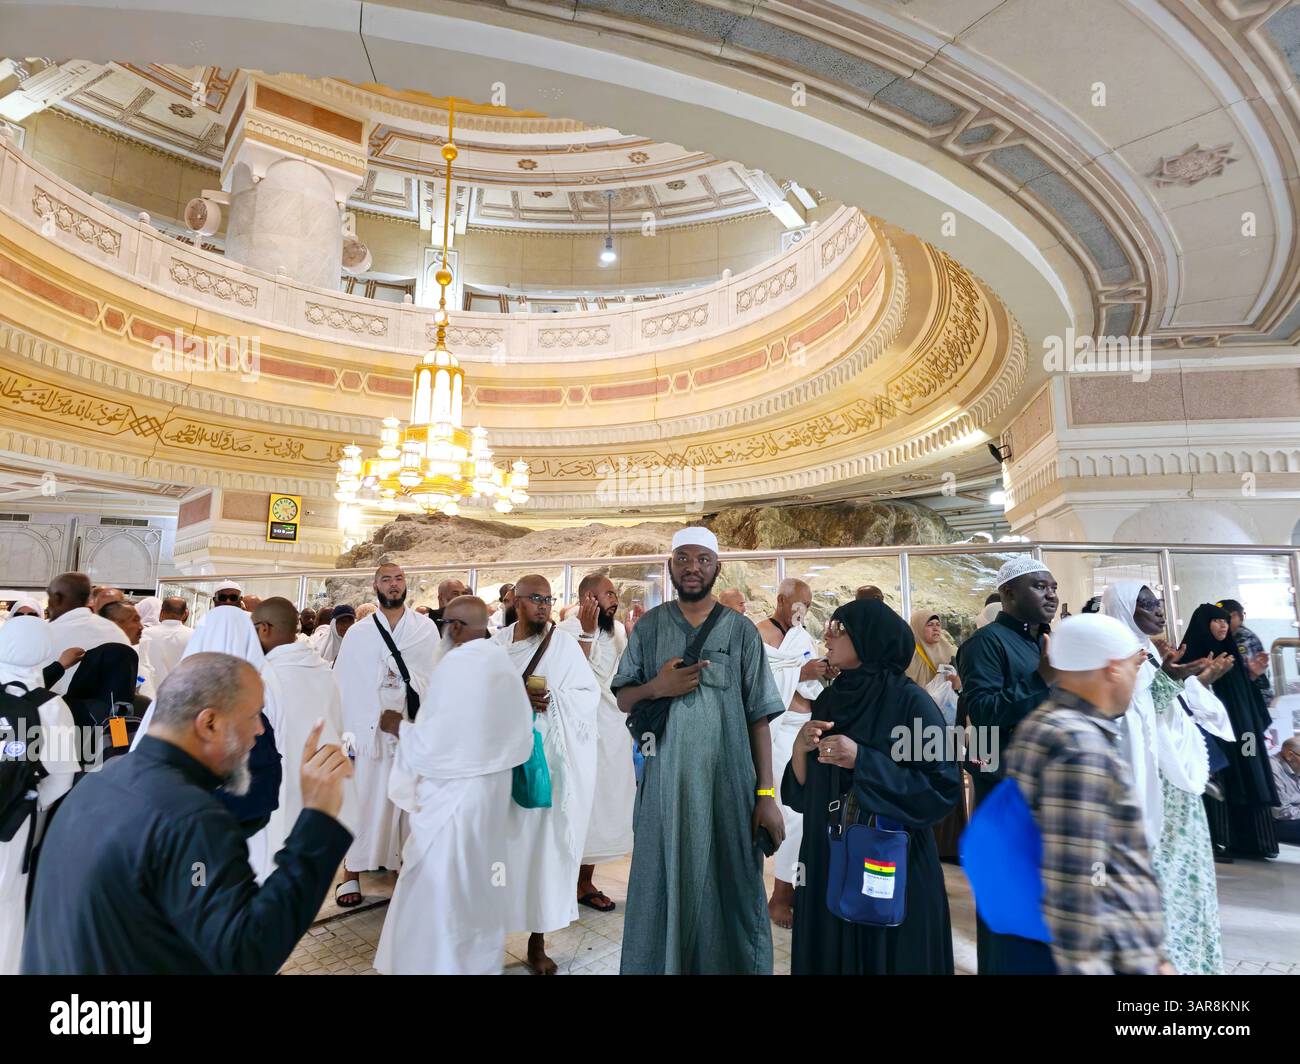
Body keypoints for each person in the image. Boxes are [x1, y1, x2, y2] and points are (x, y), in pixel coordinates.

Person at [21, 653, 354, 974]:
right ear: (209, 722)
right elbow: (245, 951)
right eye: (253, 715)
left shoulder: (98, 783)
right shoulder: (190, 817)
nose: (260, 731)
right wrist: (317, 819)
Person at [613, 527, 786, 975]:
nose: (693, 568)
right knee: (660, 885)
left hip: (728, 788)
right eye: (684, 559)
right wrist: (657, 686)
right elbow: (624, 698)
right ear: (671, 566)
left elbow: (759, 717)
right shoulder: (650, 627)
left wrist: (766, 797)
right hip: (664, 788)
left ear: (717, 568)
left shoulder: (742, 632)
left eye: (703, 560)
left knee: (730, 886)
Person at [782, 599, 960, 974]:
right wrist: (800, 749)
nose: (827, 636)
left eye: (839, 629)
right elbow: (803, 795)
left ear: (869, 638)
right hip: (829, 858)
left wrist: (863, 760)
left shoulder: (911, 703)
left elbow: (942, 788)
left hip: (889, 862)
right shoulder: (832, 698)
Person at [1003, 614, 1170, 975]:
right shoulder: (1079, 745)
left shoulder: (1047, 722)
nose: (1134, 677)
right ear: (1112, 670)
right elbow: (1081, 877)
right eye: (1132, 667)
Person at [374, 597, 534, 974]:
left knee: (440, 891)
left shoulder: (458, 665)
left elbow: (435, 746)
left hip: (455, 805)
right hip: (491, 798)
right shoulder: (500, 662)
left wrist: (399, 727)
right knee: (479, 891)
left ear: (456, 627)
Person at [1102, 581, 1231, 974]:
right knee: (1160, 879)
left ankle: (1190, 961)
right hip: (1150, 788)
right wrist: (1170, 680)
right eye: (1145, 604)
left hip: (1175, 782)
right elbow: (1126, 716)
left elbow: (1165, 710)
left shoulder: (1149, 653)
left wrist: (1192, 680)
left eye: (1157, 603)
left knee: (1187, 881)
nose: (1157, 611)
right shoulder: (1117, 654)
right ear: (1123, 609)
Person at [954, 555, 1057, 973]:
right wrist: (1042, 679)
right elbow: (982, 710)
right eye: (1039, 586)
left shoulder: (1044, 641)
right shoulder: (986, 644)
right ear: (1008, 594)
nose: (1050, 594)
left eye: (1053, 587)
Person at [493, 574, 600, 974]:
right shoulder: (496, 647)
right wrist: (512, 695)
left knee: (542, 855)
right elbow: (480, 695)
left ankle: (537, 942)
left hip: (550, 762)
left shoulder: (564, 646)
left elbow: (586, 696)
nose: (542, 605)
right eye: (534, 598)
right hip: (501, 764)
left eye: (548, 598)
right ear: (515, 601)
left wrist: (552, 698)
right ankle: (490, 935)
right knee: (500, 854)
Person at [332, 564, 440, 907]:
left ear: (406, 585)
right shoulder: (360, 633)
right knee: (363, 800)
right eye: (386, 580)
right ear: (375, 586)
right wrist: (348, 740)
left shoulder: (425, 630)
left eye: (399, 579)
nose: (393, 585)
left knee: (407, 802)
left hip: (408, 729)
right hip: (368, 735)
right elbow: (345, 687)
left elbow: (435, 677)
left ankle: (402, 869)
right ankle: (351, 871)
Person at [0, 617, 79, 973]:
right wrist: (33, 802)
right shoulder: (52, 705)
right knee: (8, 907)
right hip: (14, 822)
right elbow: (66, 775)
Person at [558, 574, 633, 914]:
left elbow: (626, 675)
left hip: (613, 729)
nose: (615, 599)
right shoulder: (566, 631)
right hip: (580, 734)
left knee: (603, 806)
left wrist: (634, 635)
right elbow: (568, 677)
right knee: (577, 804)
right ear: (589, 598)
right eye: (609, 593)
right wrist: (587, 635)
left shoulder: (617, 631)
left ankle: (584, 881)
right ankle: (563, 882)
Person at [755, 578, 827, 929]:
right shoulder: (759, 634)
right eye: (800, 605)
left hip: (804, 726)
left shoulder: (802, 637)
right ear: (781, 600)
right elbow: (753, 682)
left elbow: (811, 685)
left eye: (809, 606)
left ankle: (792, 888)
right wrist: (801, 671)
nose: (804, 612)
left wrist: (817, 673)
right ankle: (778, 896)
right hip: (775, 731)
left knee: (803, 811)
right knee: (790, 814)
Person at [1182, 603, 1280, 859]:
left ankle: (1257, 843)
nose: (1223, 625)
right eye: (1216, 620)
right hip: (1213, 736)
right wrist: (1205, 676)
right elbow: (1185, 696)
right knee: (1222, 781)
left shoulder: (1231, 654)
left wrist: (1252, 675)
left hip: (1245, 734)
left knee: (1251, 771)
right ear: (1204, 624)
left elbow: (1245, 698)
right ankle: (1222, 843)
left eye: (1225, 620)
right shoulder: (1191, 656)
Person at [906, 609, 966, 858]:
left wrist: (955, 683)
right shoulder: (910, 655)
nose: (935, 629)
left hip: (949, 728)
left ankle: (951, 845)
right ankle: (928, 844)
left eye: (938, 625)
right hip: (920, 729)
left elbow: (961, 687)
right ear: (919, 628)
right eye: (930, 625)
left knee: (951, 779)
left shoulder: (949, 652)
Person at [44, 572, 129, 695]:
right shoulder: (115, 631)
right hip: (104, 711)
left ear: (57, 598)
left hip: (50, 709)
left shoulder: (45, 633)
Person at [1219, 599, 1273, 705]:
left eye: (1230, 616)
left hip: (1256, 696)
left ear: (1239, 617)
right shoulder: (1228, 637)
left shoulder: (1242, 636)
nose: (1224, 622)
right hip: (1246, 694)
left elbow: (1241, 670)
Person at [139, 596, 192, 689]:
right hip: (180, 692)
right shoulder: (194, 635)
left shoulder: (144, 633)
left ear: (161, 612)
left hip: (149, 691)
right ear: (184, 614)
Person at [1271, 737, 1300, 845]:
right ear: (1289, 755)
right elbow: (1280, 812)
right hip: (1279, 822)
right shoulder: (1273, 769)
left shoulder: (1296, 767)